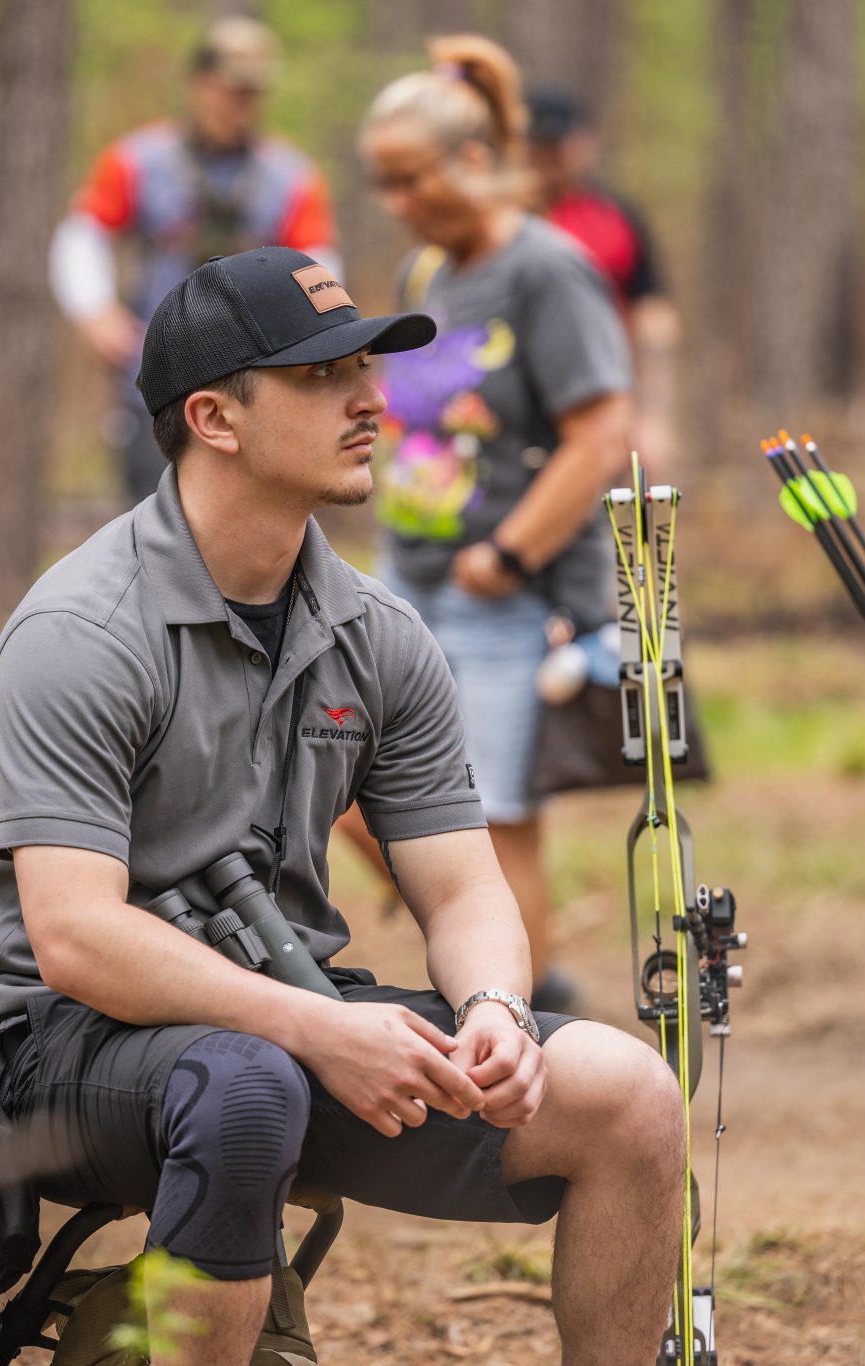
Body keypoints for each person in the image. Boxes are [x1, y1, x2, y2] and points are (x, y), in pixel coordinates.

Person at [0, 245, 684, 1365]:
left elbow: (460, 883)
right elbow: (72, 936)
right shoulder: (83, 631)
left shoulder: (377, 632)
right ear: (213, 416)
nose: (368, 399)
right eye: (319, 375)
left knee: (626, 1097)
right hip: (61, 1053)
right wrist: (319, 1029)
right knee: (244, 1090)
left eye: (365, 366)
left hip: (299, 1022)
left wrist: (490, 1002)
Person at [357, 37, 633, 1016]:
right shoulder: (427, 271)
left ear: (471, 160)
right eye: (381, 184)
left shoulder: (546, 270)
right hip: (409, 578)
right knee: (349, 791)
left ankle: (526, 1038)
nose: (395, 203)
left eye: (409, 179)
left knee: (485, 830)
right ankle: (519, 981)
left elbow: (600, 436)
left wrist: (507, 553)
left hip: (503, 597)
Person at [48, 17, 341, 504]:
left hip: (256, 377)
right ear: (199, 83)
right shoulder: (140, 159)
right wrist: (96, 314)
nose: (239, 105)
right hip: (153, 374)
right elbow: (83, 234)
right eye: (229, 90)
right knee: (152, 505)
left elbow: (320, 267)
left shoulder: (290, 177)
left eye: (250, 94)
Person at [525, 86, 682, 476]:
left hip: (603, 397)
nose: (548, 157)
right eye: (537, 144)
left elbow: (653, 316)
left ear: (585, 144)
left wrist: (653, 415)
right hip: (520, 408)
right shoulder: (499, 221)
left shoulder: (615, 217)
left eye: (557, 144)